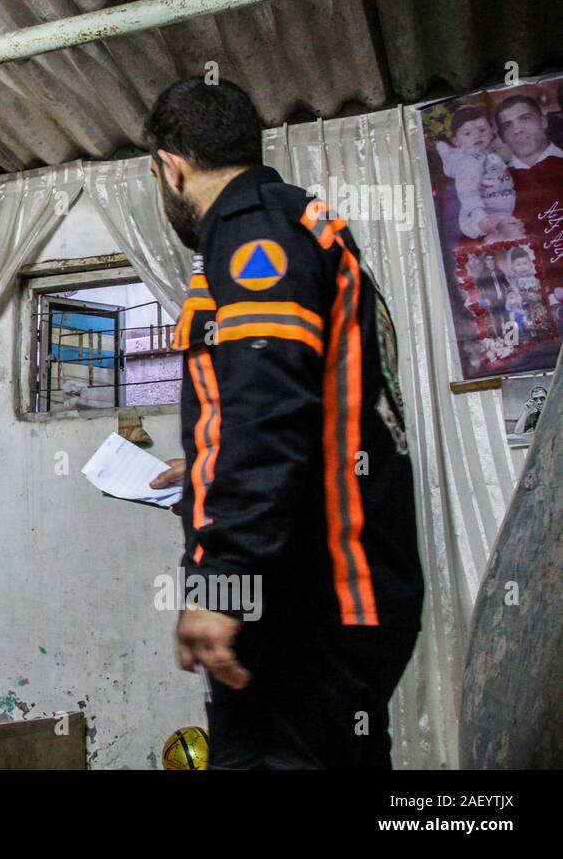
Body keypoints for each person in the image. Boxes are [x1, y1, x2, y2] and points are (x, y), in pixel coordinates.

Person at [144, 77, 423, 769]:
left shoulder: (250, 231)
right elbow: (298, 407)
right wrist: (206, 466)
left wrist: (221, 583)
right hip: (342, 598)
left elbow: (266, 406)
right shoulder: (297, 223)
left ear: (169, 166)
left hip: (304, 602)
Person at [496, 94, 563, 307]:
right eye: (508, 126)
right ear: (502, 137)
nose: (517, 130)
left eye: (525, 118)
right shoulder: (495, 186)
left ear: (543, 121)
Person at [436, 105, 517, 240]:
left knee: (509, 238)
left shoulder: (490, 154)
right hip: (480, 216)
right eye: (467, 133)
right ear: (456, 141)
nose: (477, 135)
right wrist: (480, 217)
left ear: (492, 130)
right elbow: (467, 192)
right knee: (499, 240)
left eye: (482, 129)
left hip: (500, 211)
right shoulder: (469, 162)